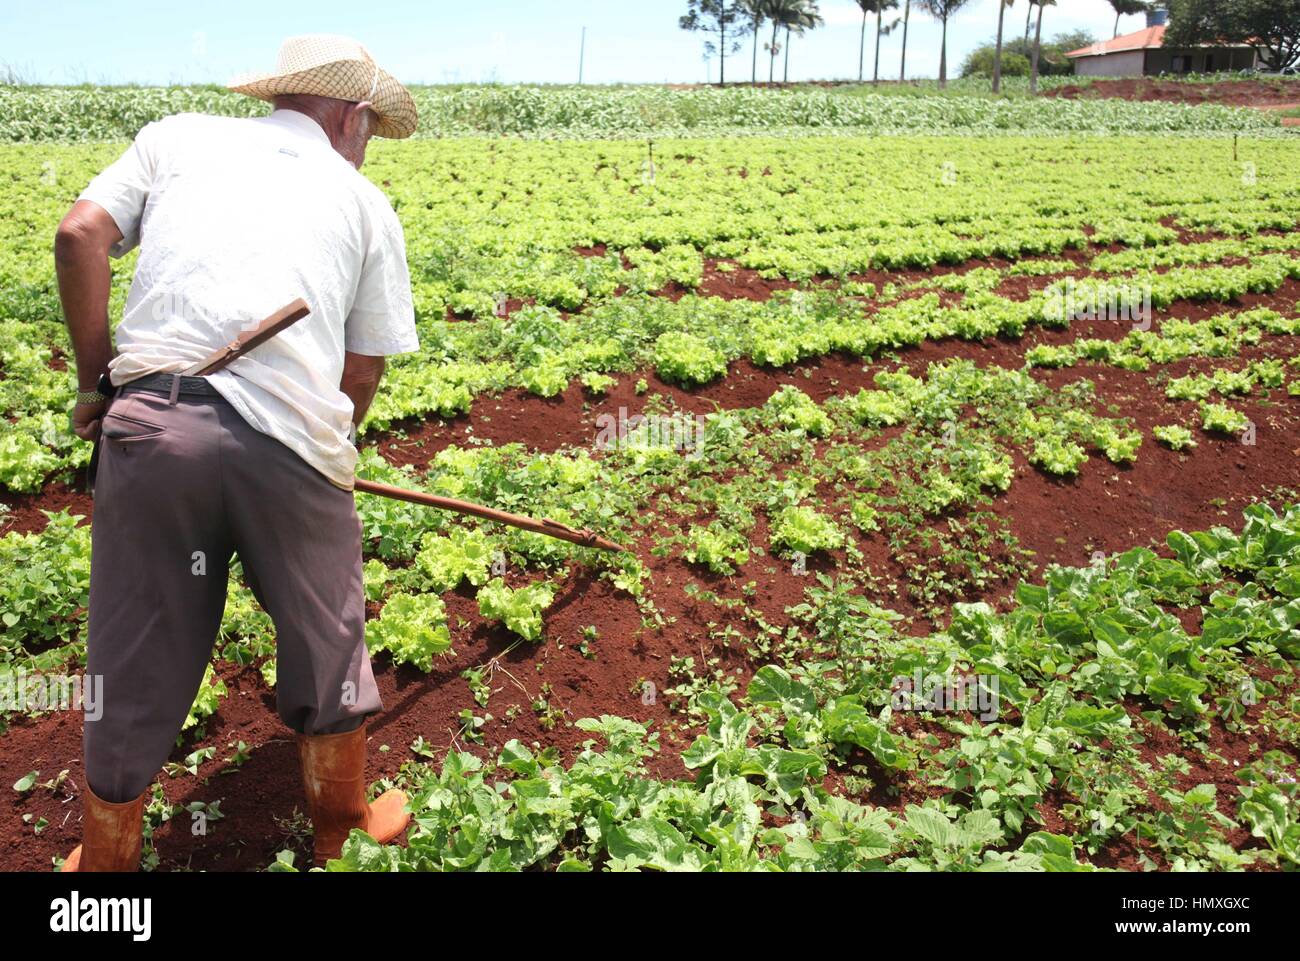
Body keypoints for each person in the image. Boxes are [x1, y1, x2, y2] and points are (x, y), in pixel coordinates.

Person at [53, 34, 421, 871]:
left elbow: (79, 235)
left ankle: (107, 858)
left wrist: (93, 384)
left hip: (152, 429)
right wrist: (326, 450)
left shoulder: (176, 138)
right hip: (290, 447)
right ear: (351, 117)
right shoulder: (364, 202)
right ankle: (340, 829)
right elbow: (360, 370)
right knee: (327, 629)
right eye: (370, 129)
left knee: (133, 639)